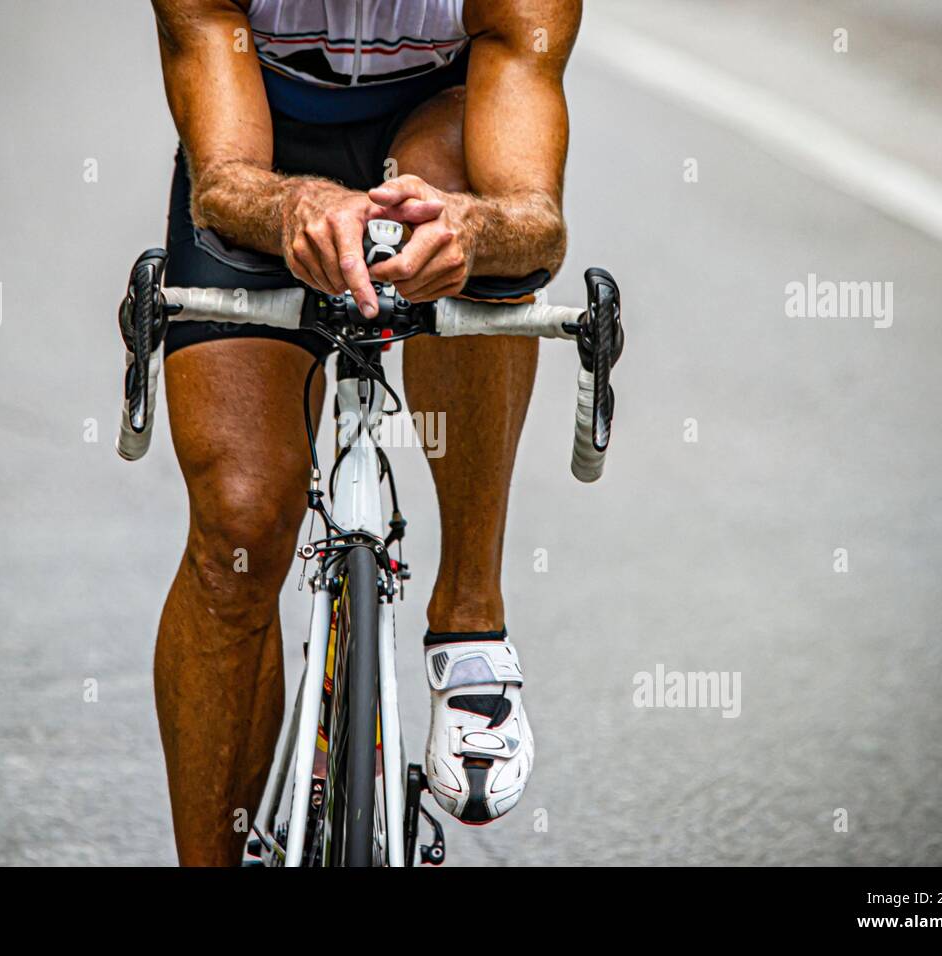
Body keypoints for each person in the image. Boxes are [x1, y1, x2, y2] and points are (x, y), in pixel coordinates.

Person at [149, 0, 581, 865]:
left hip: (443, 131)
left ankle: (469, 618)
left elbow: (537, 217)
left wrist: (475, 231)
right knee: (239, 522)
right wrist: (295, 208)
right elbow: (227, 175)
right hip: (264, 148)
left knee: (462, 203)